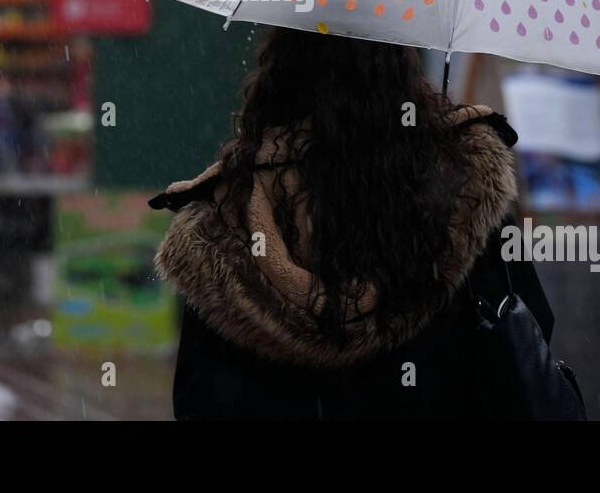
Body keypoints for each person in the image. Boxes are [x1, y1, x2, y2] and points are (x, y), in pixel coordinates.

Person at [150, 26, 563, 420]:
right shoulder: (463, 190)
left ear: (277, 75)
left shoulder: (226, 220)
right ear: (403, 70)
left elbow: (199, 400)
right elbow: (528, 340)